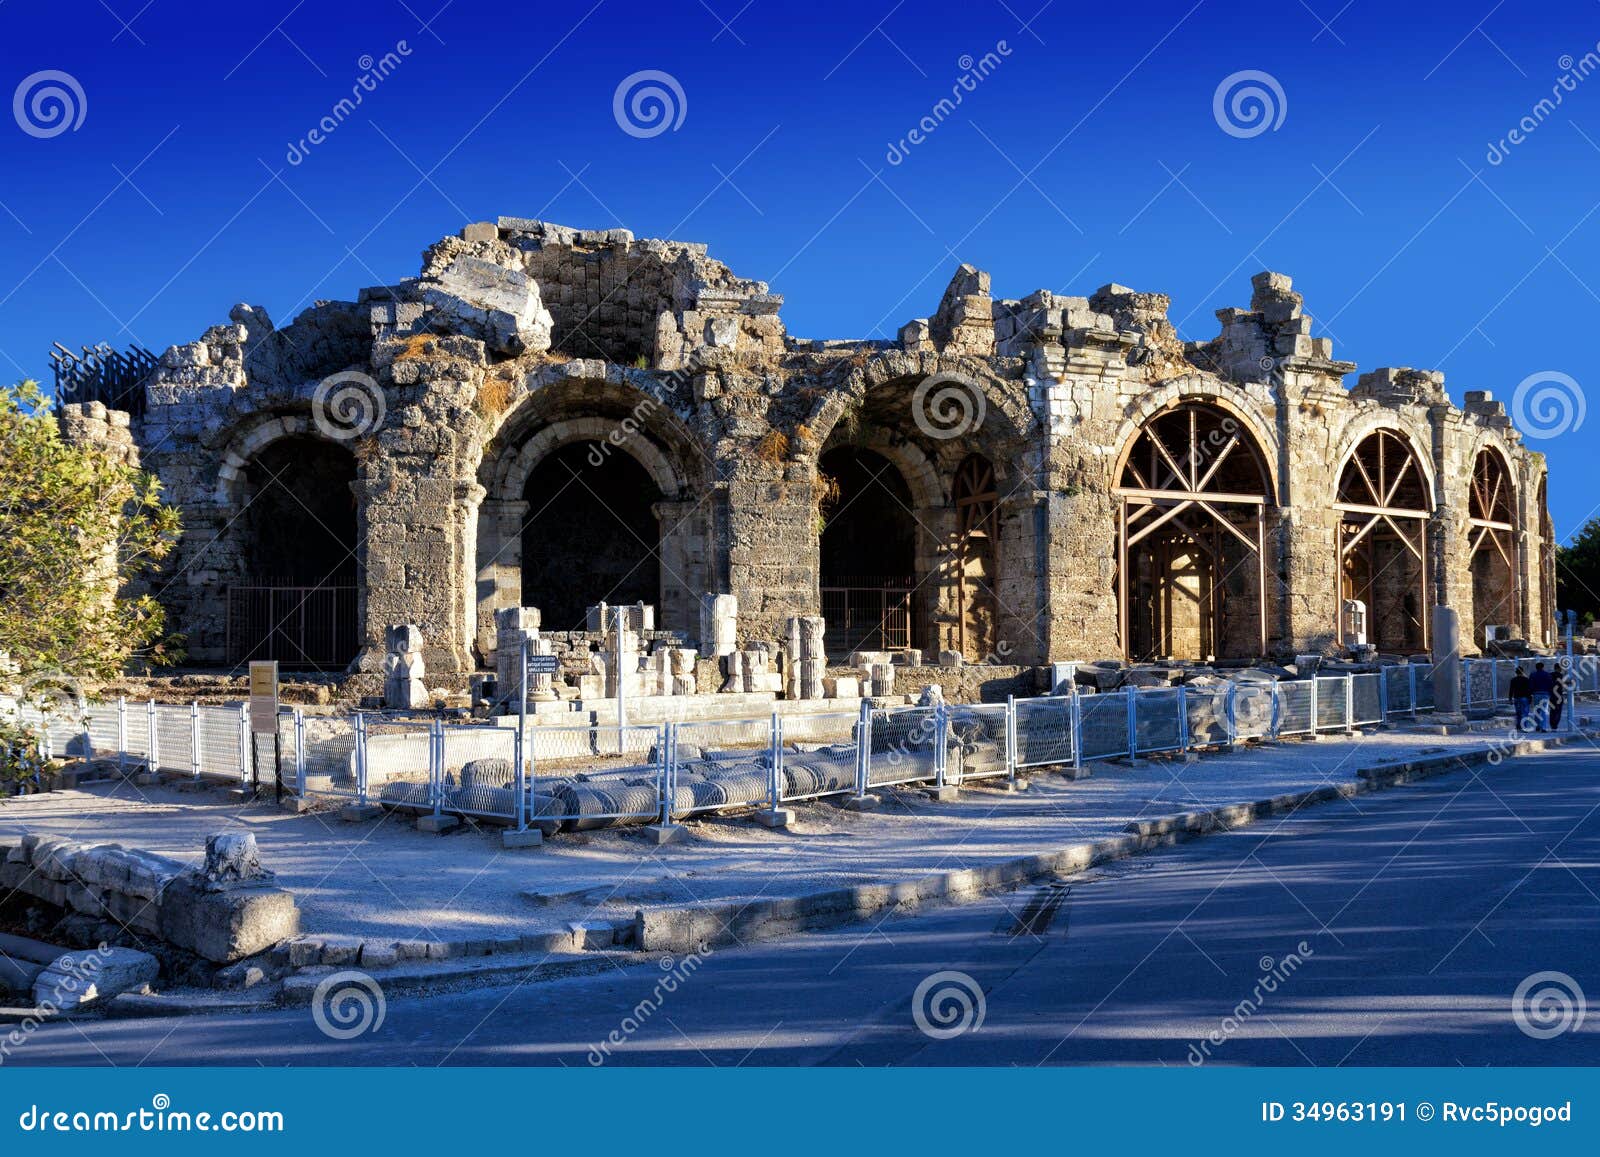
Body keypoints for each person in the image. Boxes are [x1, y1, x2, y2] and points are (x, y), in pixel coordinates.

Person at [1528, 661, 1555, 732]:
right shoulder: (1547, 674)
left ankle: (1537, 726)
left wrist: (1530, 694)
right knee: (1544, 711)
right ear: (1543, 667)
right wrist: (1551, 693)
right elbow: (1551, 685)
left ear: (1536, 668)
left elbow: (1530, 685)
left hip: (1536, 694)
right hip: (1545, 694)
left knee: (1537, 710)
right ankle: (1543, 728)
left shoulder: (1533, 674)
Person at [1510, 665, 1532, 733]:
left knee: (1518, 713)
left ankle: (1518, 726)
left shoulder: (1513, 680)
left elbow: (1511, 690)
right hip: (1524, 698)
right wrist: (1530, 698)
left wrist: (1510, 698)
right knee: (1525, 713)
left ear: (1516, 672)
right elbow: (1529, 690)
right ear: (1522, 672)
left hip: (1516, 698)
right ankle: (1524, 727)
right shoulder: (1526, 679)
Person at [1550, 666, 1567, 731]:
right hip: (1559, 696)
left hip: (1551, 695)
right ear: (1558, 669)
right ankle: (1555, 725)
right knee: (1558, 711)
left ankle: (1552, 725)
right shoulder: (1560, 675)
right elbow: (1562, 685)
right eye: (1560, 669)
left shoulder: (1550, 675)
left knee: (1552, 711)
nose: (1561, 670)